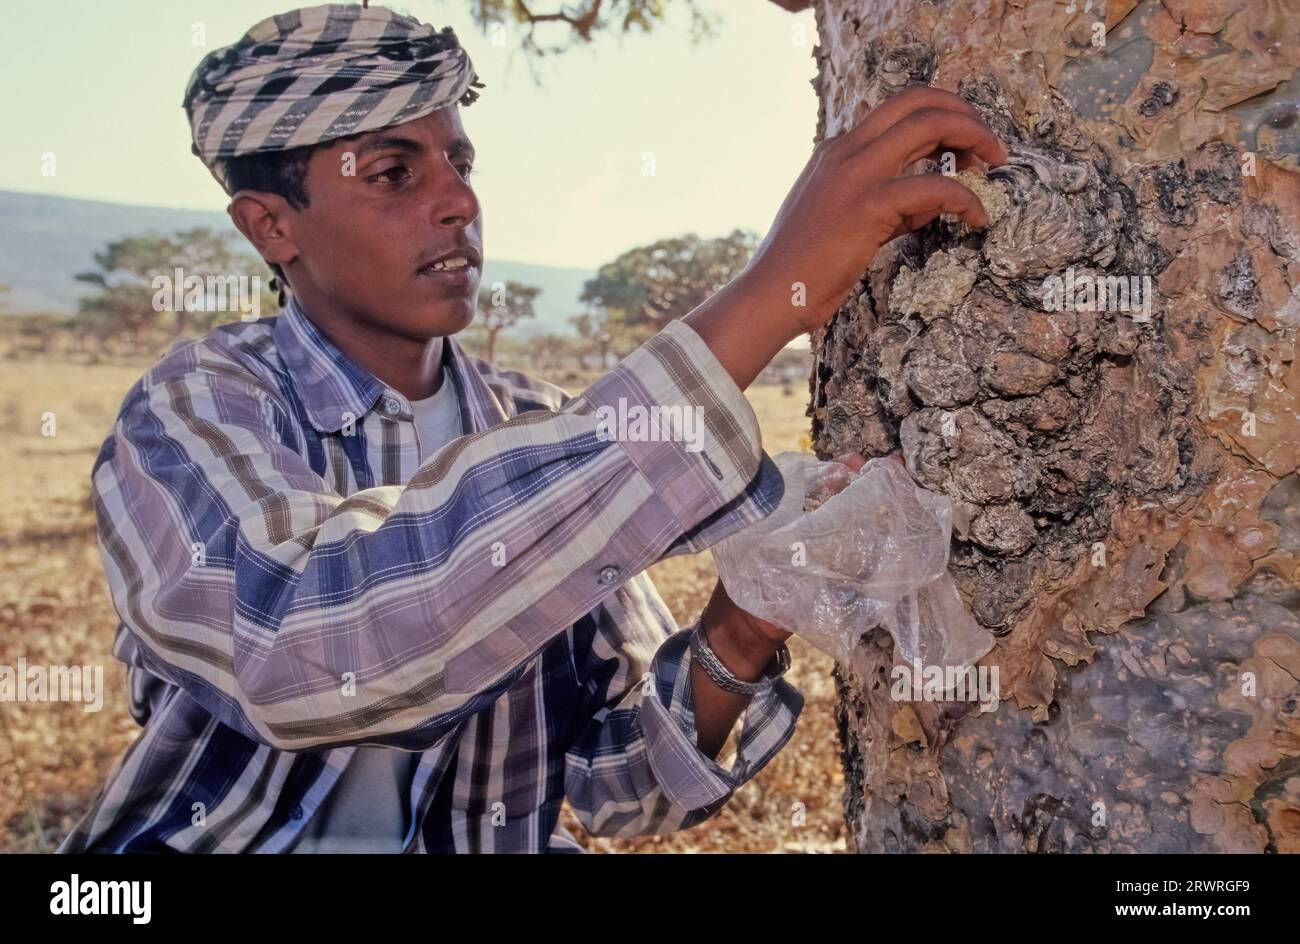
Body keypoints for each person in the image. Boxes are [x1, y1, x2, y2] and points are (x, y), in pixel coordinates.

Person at [60, 2, 1006, 853]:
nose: (459, 201)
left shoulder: (541, 429)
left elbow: (616, 786)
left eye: (459, 162)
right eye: (395, 172)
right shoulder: (193, 410)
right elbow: (302, 652)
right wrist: (767, 298)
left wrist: (748, 621)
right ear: (272, 227)